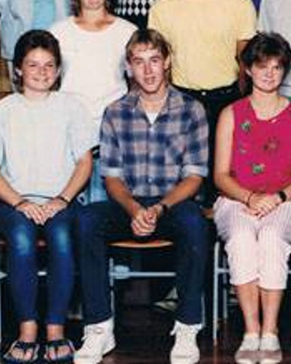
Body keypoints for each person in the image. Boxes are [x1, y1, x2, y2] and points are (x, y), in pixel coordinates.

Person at [74, 29, 211, 364]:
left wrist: (161, 208)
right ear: (128, 67)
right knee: (87, 220)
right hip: (129, 204)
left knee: (196, 224)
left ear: (166, 62)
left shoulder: (191, 110)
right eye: (139, 62)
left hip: (173, 204)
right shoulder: (115, 113)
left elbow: (194, 176)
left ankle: (187, 324)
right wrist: (135, 208)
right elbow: (112, 177)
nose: (148, 70)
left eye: (154, 60)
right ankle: (99, 326)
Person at [0, 30, 97, 364]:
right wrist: (20, 203)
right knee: (21, 239)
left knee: (60, 237)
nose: (41, 72)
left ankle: (55, 329)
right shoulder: (0, 112)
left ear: (58, 70)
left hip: (62, 199)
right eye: (33, 65)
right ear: (18, 69)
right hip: (14, 201)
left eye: (49, 65)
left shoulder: (72, 107)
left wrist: (61, 200)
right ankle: (27, 329)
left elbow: (84, 162)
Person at [213, 33, 291, 364]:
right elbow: (220, 175)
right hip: (237, 198)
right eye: (261, 66)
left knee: (271, 238)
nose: (269, 73)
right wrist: (250, 197)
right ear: (248, 69)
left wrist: (279, 196)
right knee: (243, 238)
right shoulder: (231, 113)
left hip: (287, 201)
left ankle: (270, 332)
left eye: (276, 67)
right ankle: (251, 331)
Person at [148, 0, 257, 192]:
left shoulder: (239, 3)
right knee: (185, 186)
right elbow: (159, 65)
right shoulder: (162, 7)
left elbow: (247, 64)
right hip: (183, 103)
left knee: (228, 184)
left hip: (228, 101)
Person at [48, 0, 138, 203]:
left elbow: (136, 87)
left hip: (112, 138)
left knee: (101, 211)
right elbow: (49, 86)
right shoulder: (58, 32)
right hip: (69, 137)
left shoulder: (127, 31)